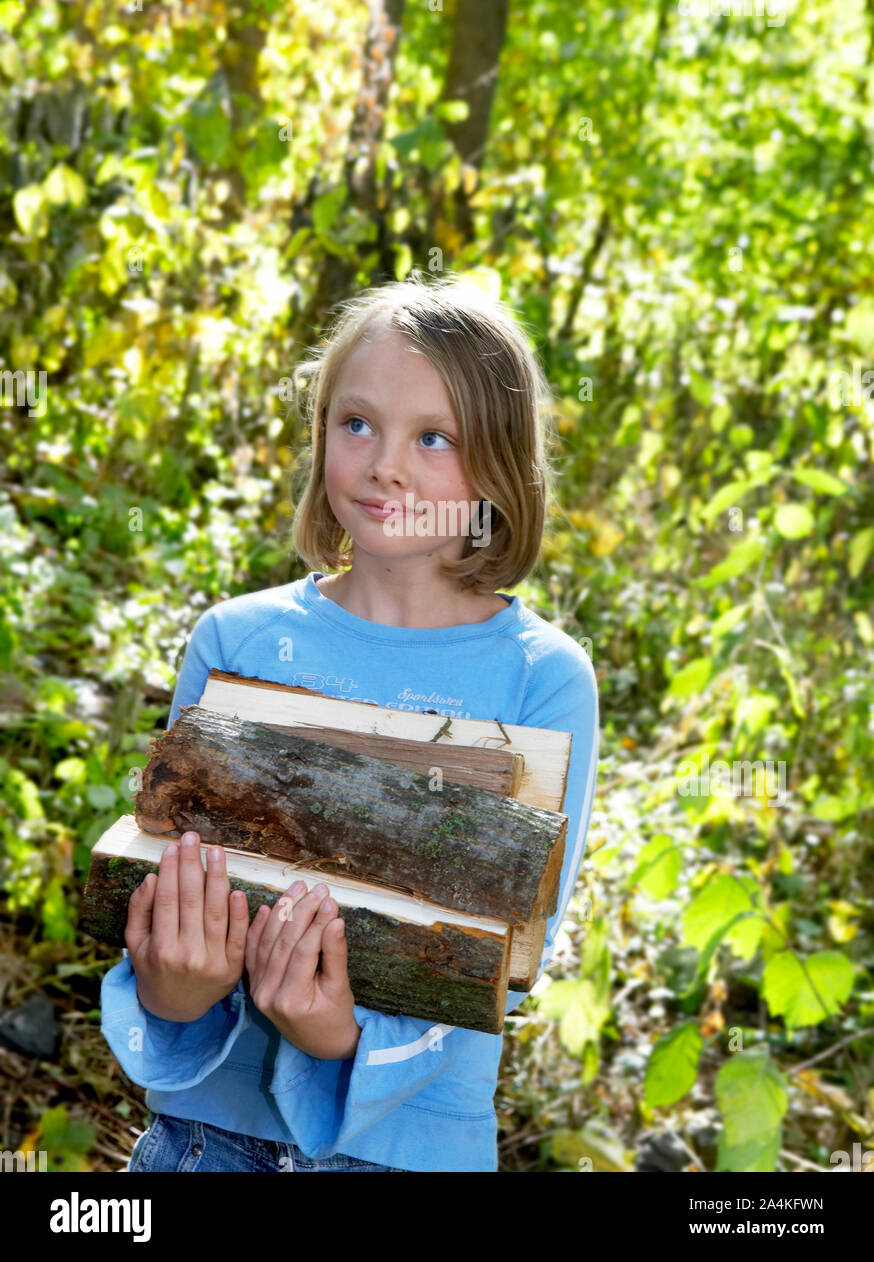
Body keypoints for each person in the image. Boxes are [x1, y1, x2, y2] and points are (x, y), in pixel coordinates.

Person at [101, 271, 599, 1173]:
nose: (385, 464)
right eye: (356, 422)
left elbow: (506, 960)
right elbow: (171, 881)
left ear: (498, 465)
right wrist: (177, 989)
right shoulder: (237, 639)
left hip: (410, 1152)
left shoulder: (543, 678)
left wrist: (340, 1033)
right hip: (208, 1138)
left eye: (434, 437)